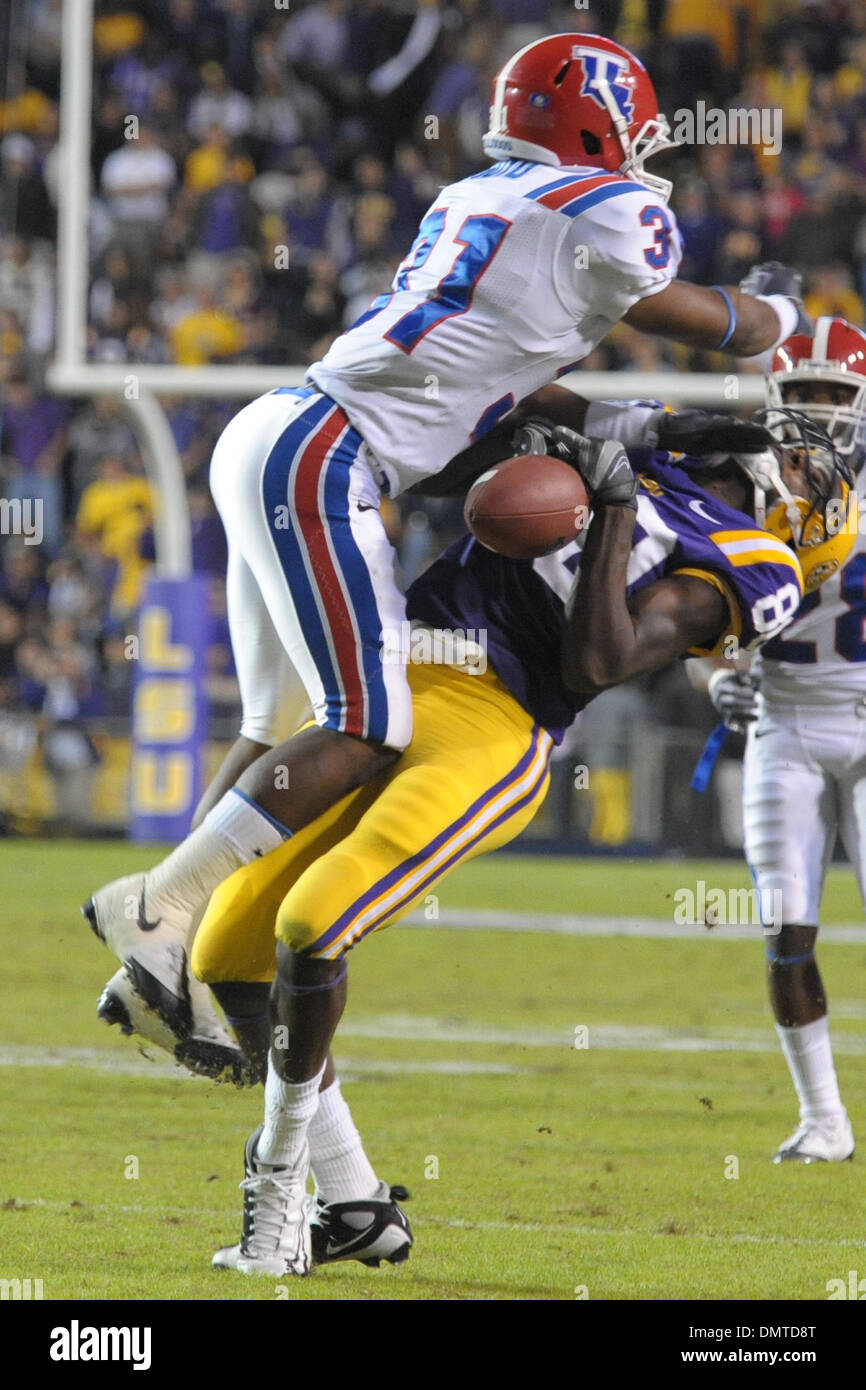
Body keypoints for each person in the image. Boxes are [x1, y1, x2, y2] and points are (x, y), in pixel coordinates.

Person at [83, 31, 812, 1206]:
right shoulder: (606, 210)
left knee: (282, 728)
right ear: (596, 124)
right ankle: (156, 907)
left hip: (278, 429)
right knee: (365, 722)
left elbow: (510, 385)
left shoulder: (481, 194)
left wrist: (652, 431)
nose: (638, 148)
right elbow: (704, 320)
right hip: (328, 462)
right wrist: (773, 318)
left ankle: (300, 1136)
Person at [101, 399, 855, 1274]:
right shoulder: (655, 454)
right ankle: (355, 1206)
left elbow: (597, 664)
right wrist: (517, 446)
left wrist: (609, 507)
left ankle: (275, 1201)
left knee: (311, 923)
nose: (794, 455)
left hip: (494, 726)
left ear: (806, 523)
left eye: (812, 472)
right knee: (226, 958)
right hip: (389, 675)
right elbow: (446, 488)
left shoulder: (759, 562)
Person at [692, 318, 866, 1164]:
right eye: (806, 395)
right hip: (784, 725)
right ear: (776, 400)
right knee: (785, 930)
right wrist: (718, 677)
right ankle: (825, 1120)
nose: (823, 414)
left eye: (838, 395)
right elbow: (701, 625)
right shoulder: (738, 490)